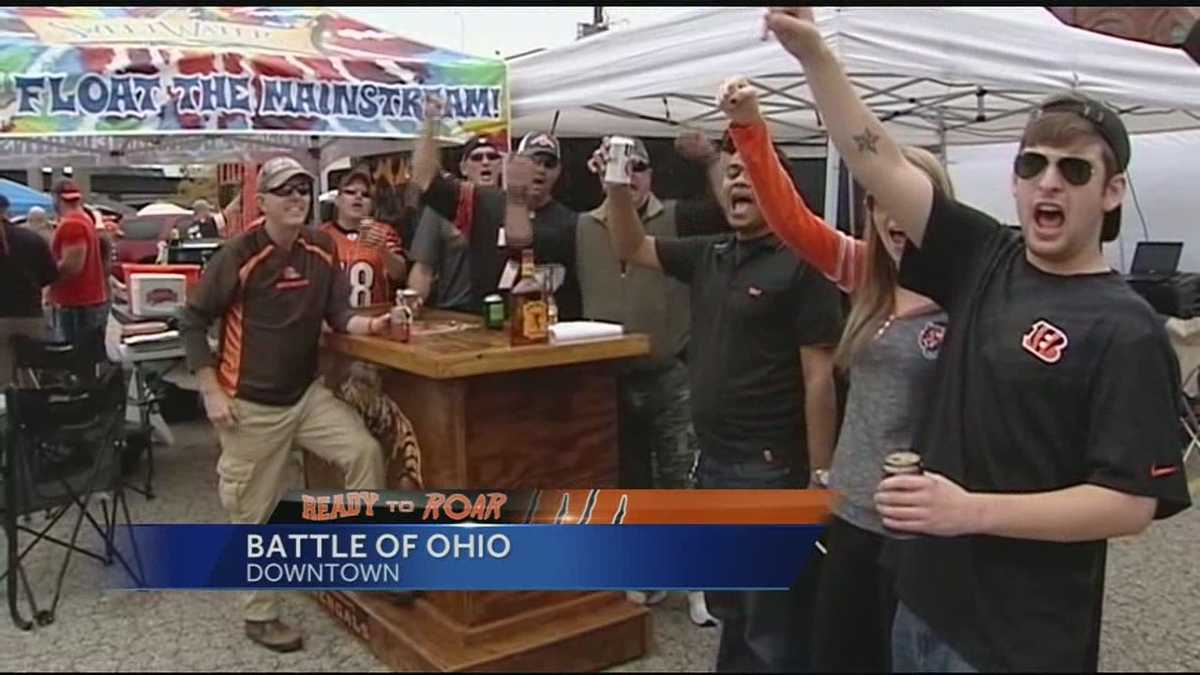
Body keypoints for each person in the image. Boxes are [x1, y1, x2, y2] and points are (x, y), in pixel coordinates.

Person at [762, 7, 1192, 672]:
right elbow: (876, 159)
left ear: (1112, 192)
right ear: (1016, 181)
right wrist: (815, 57)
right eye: (1033, 164)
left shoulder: (1126, 326)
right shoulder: (985, 258)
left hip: (1020, 638)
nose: (1049, 181)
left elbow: (1128, 503)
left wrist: (969, 511)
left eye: (1074, 170)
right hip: (923, 605)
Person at [719, 76, 954, 671]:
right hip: (849, 512)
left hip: (916, 527)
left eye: (909, 200)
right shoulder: (867, 274)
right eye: (881, 201)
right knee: (838, 656)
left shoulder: (966, 294)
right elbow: (791, 221)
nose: (895, 216)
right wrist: (750, 128)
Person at [597, 126, 844, 672]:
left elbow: (819, 378)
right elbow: (630, 246)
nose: (738, 181)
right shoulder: (711, 253)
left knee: (770, 625)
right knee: (732, 610)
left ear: (781, 187)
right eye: (731, 173)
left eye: (752, 173)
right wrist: (616, 181)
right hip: (713, 463)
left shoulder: (803, 262)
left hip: (769, 470)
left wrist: (820, 476)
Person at [178, 156, 390, 653]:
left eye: (303, 189)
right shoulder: (239, 254)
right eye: (284, 191)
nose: (297, 198)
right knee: (255, 511)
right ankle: (259, 615)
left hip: (305, 395)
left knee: (363, 453)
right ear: (263, 202)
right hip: (250, 404)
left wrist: (374, 325)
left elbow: (339, 313)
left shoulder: (320, 246)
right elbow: (191, 320)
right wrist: (210, 390)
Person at [560, 134, 727, 625]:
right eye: (620, 167)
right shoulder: (580, 226)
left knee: (682, 479)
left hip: (671, 370)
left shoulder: (677, 217)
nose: (630, 176)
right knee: (628, 480)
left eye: (639, 167)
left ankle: (698, 587)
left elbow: (727, 209)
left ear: (652, 175)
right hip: (608, 376)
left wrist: (712, 159)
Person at [410, 98, 582, 319]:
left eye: (549, 164)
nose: (540, 169)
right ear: (515, 162)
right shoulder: (484, 202)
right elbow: (425, 180)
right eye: (533, 160)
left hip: (549, 328)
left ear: (558, 171)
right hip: (489, 328)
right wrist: (430, 124)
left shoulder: (573, 222)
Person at [407, 135, 504, 312]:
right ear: (463, 168)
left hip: (503, 312)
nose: (485, 162)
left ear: (501, 164)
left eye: (492, 157)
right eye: (477, 157)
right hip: (456, 312)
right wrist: (413, 304)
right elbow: (423, 267)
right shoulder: (442, 208)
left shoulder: (512, 206)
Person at [318, 170, 407, 308]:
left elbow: (400, 275)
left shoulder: (384, 232)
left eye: (365, 195)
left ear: (372, 205)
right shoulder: (321, 235)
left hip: (375, 315)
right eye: (350, 192)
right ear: (337, 200)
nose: (358, 197)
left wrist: (383, 250)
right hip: (332, 318)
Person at [0, 196, 58, 385]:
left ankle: (7, 402)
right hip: (30, 315)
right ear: (7, 211)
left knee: (3, 378)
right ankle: (31, 401)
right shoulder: (33, 239)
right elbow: (51, 275)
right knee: (28, 372)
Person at [47, 179, 108, 355]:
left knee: (74, 357)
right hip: (89, 300)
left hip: (75, 303)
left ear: (56, 198)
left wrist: (46, 278)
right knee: (88, 356)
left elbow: (72, 266)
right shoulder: (85, 220)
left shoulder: (72, 225)